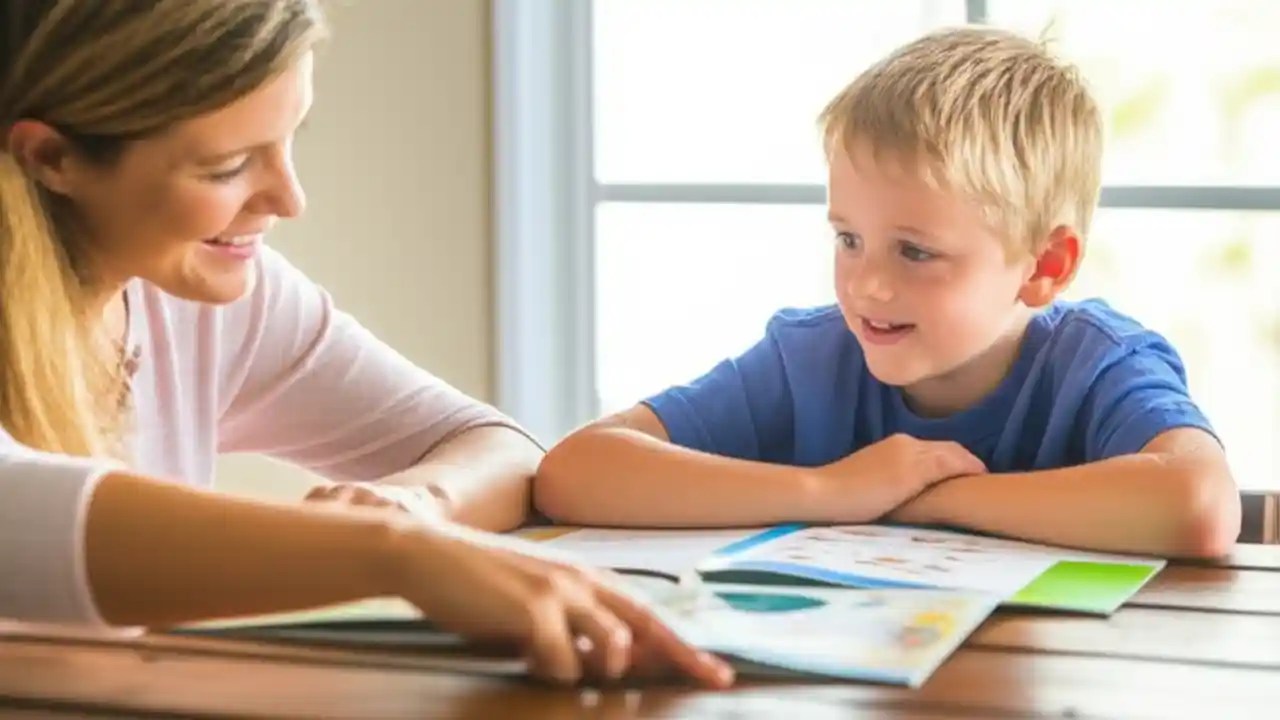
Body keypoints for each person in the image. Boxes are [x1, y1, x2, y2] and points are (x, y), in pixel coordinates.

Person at [0, 0, 733, 689]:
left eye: (290, 140)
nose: (289, 199)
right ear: (52, 158)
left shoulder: (208, 295)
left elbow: (497, 446)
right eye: (227, 167)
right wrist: (391, 555)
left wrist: (414, 506)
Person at [535, 27, 1242, 559]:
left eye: (915, 251)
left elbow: (1200, 506)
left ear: (1044, 266)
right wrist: (832, 491)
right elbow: (575, 472)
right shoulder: (809, 359)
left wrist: (935, 500)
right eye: (848, 238)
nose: (867, 284)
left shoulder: (1098, 364)